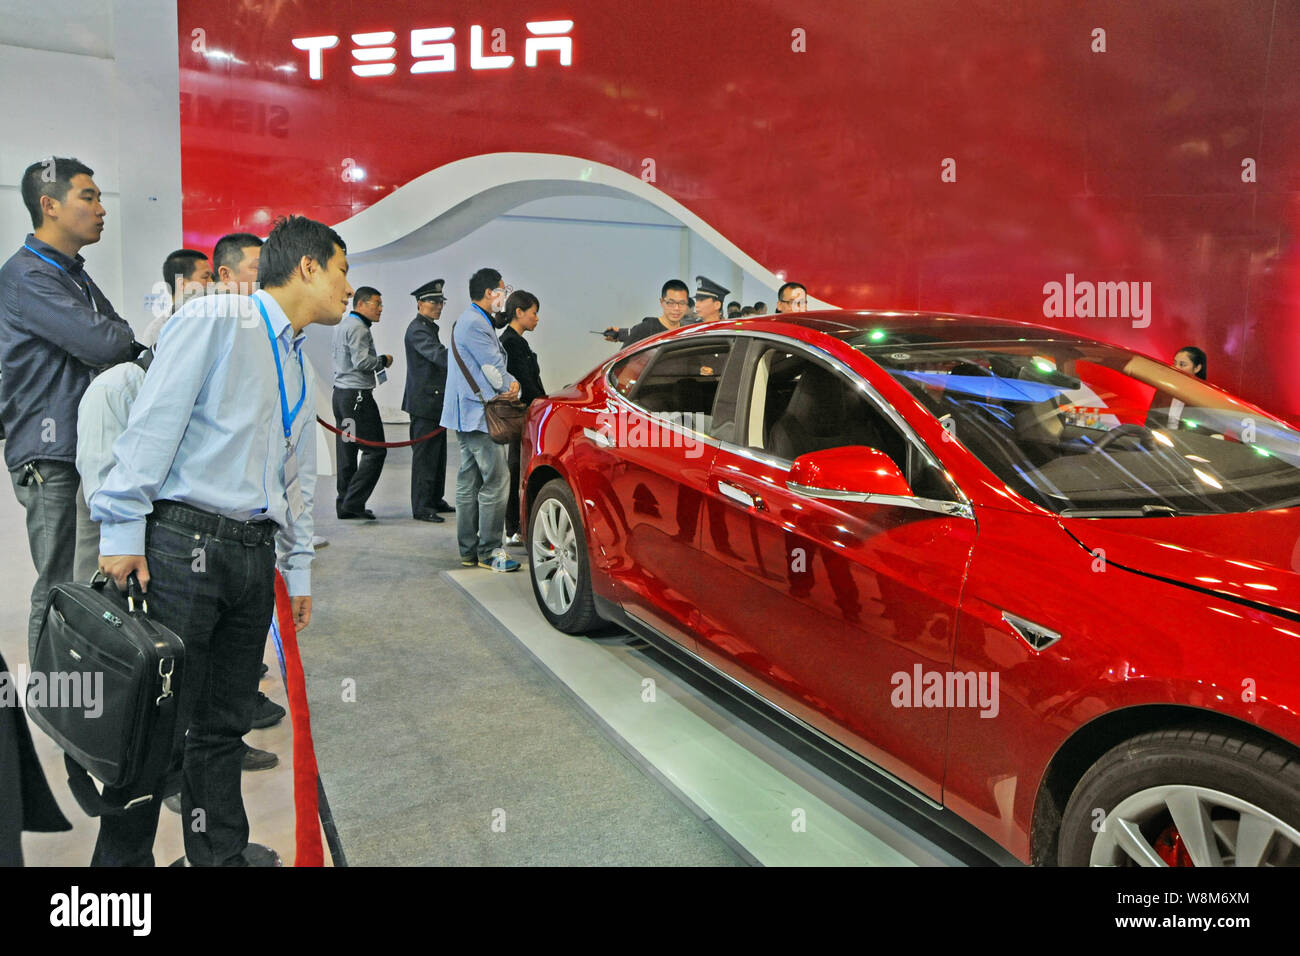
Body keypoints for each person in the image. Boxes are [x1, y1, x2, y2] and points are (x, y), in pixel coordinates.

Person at [90, 214, 346, 867]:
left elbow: (291, 481)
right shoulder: (217, 320)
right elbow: (152, 423)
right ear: (310, 266)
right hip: (182, 545)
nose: (349, 288)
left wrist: (301, 572)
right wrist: (122, 529)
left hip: (251, 555)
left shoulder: (293, 362)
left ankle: (219, 856)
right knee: (153, 730)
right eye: (343, 271)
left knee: (222, 724)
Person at [0, 157, 137, 660]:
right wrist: (115, 339)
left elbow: (120, 334)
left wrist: (116, 339)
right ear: (50, 205)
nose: (102, 209)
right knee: (59, 582)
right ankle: (56, 702)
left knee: (88, 578)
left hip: (82, 450)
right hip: (49, 453)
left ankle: (91, 707)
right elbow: (106, 343)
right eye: (89, 197)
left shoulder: (72, 273)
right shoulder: (25, 276)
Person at [441, 267, 521, 571]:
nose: (505, 296)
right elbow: (494, 369)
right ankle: (489, 551)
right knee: (497, 480)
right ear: (490, 293)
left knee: (470, 479)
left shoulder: (472, 320)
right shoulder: (476, 323)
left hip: (469, 413)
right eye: (503, 290)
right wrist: (512, 386)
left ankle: (469, 551)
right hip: (478, 414)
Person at [332, 286, 392, 520]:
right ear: (361, 304)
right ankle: (353, 502)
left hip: (343, 397)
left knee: (347, 451)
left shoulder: (345, 325)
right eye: (376, 303)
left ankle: (345, 503)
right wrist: (383, 360)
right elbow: (362, 363)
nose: (380, 308)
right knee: (375, 450)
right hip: (357, 399)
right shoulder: (359, 329)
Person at [404, 278, 454, 522]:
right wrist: (461, 354)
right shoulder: (418, 330)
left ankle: (434, 498)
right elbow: (438, 357)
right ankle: (422, 506)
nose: (438, 306)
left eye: (441, 301)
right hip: (424, 403)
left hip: (433, 402)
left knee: (438, 455)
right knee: (425, 457)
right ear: (419, 304)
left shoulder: (428, 328)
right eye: (433, 301)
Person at [500, 290, 547, 545]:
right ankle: (514, 527)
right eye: (534, 313)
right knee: (516, 469)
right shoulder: (511, 342)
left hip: (528, 411)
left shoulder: (517, 341)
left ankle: (516, 525)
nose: (537, 319)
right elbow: (524, 382)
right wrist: (541, 402)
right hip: (522, 414)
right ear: (519, 312)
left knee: (518, 469)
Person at [141, 249, 214, 347]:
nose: (212, 283)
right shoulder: (158, 331)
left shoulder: (213, 320)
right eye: (205, 277)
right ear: (182, 283)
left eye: (212, 277)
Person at [603, 279, 691, 345]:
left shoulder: (688, 332)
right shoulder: (647, 328)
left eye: (682, 303)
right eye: (671, 303)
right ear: (662, 302)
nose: (676, 308)